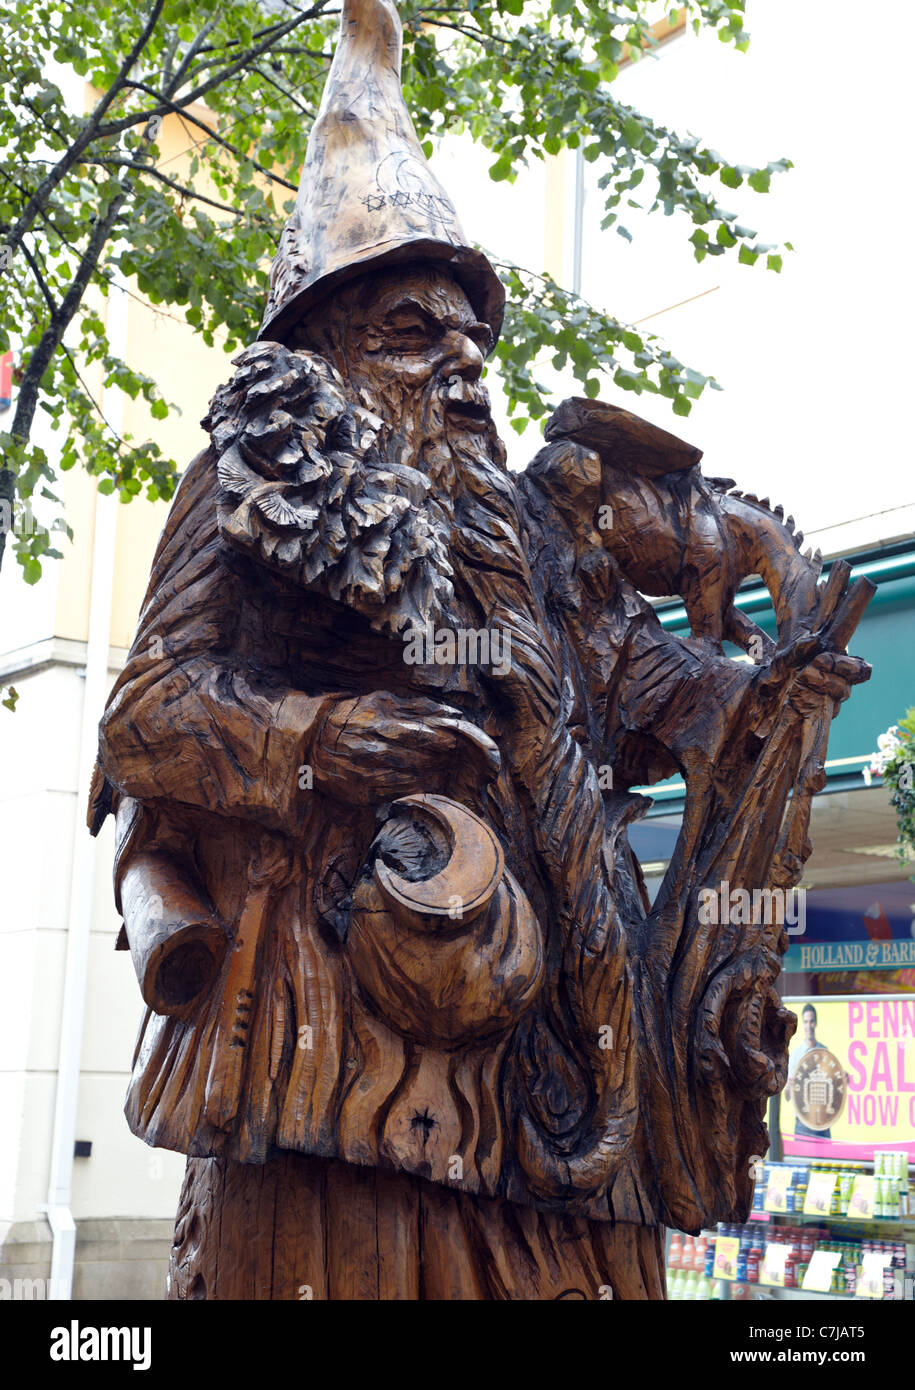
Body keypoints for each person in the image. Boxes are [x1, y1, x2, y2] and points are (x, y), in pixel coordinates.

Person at [90, 0, 869, 1299]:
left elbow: (629, 688)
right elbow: (150, 715)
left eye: (472, 341)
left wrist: (748, 692)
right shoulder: (255, 478)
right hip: (342, 1052)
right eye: (411, 332)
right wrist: (325, 740)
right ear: (321, 349)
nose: (459, 365)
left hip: (566, 1063)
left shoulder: (521, 529)